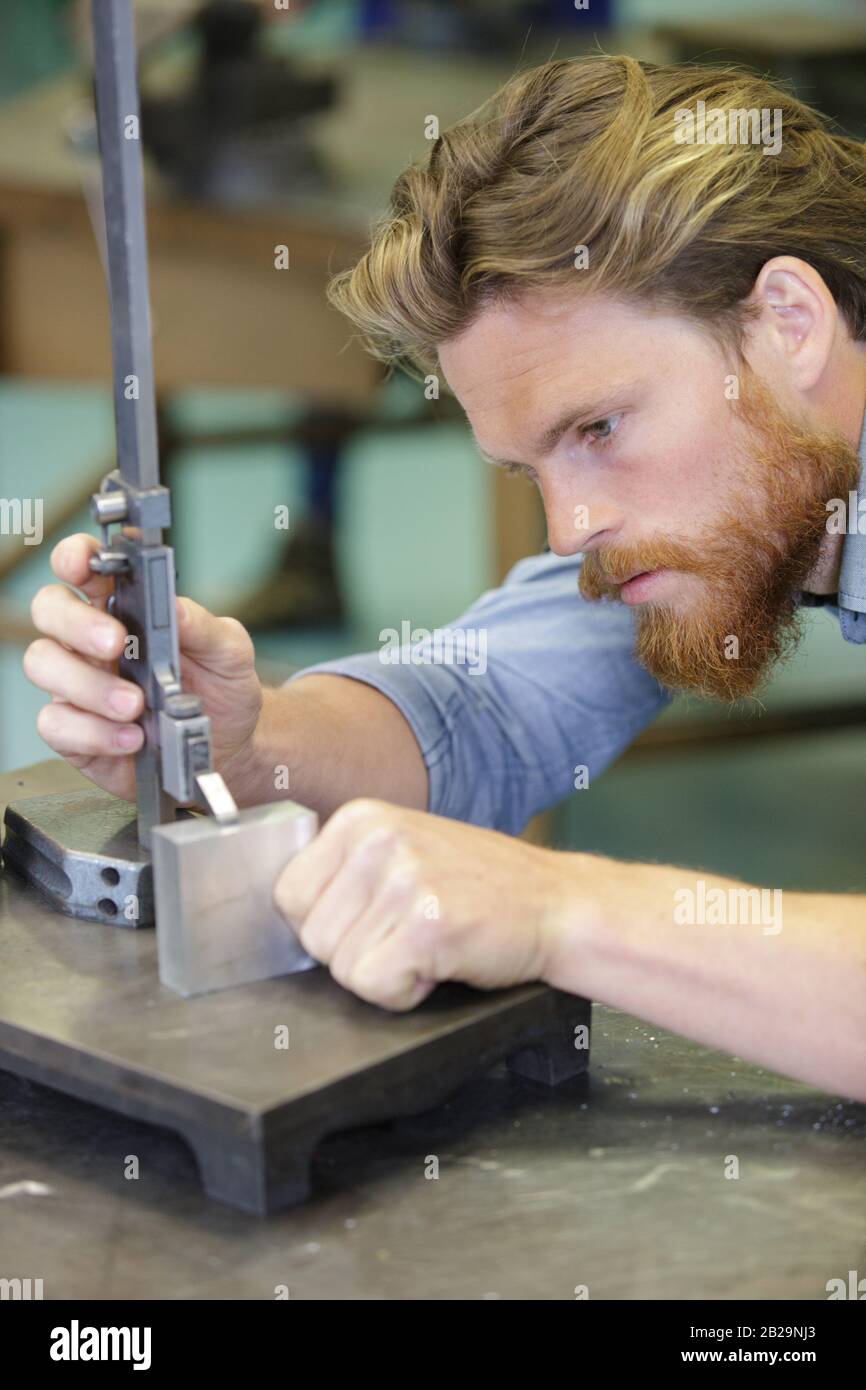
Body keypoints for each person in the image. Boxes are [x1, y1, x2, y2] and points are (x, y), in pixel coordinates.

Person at [25, 57, 866, 1100]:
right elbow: (485, 708)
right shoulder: (721, 505)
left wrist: (558, 912)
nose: (568, 531)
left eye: (597, 428)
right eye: (528, 469)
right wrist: (249, 745)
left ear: (787, 322)